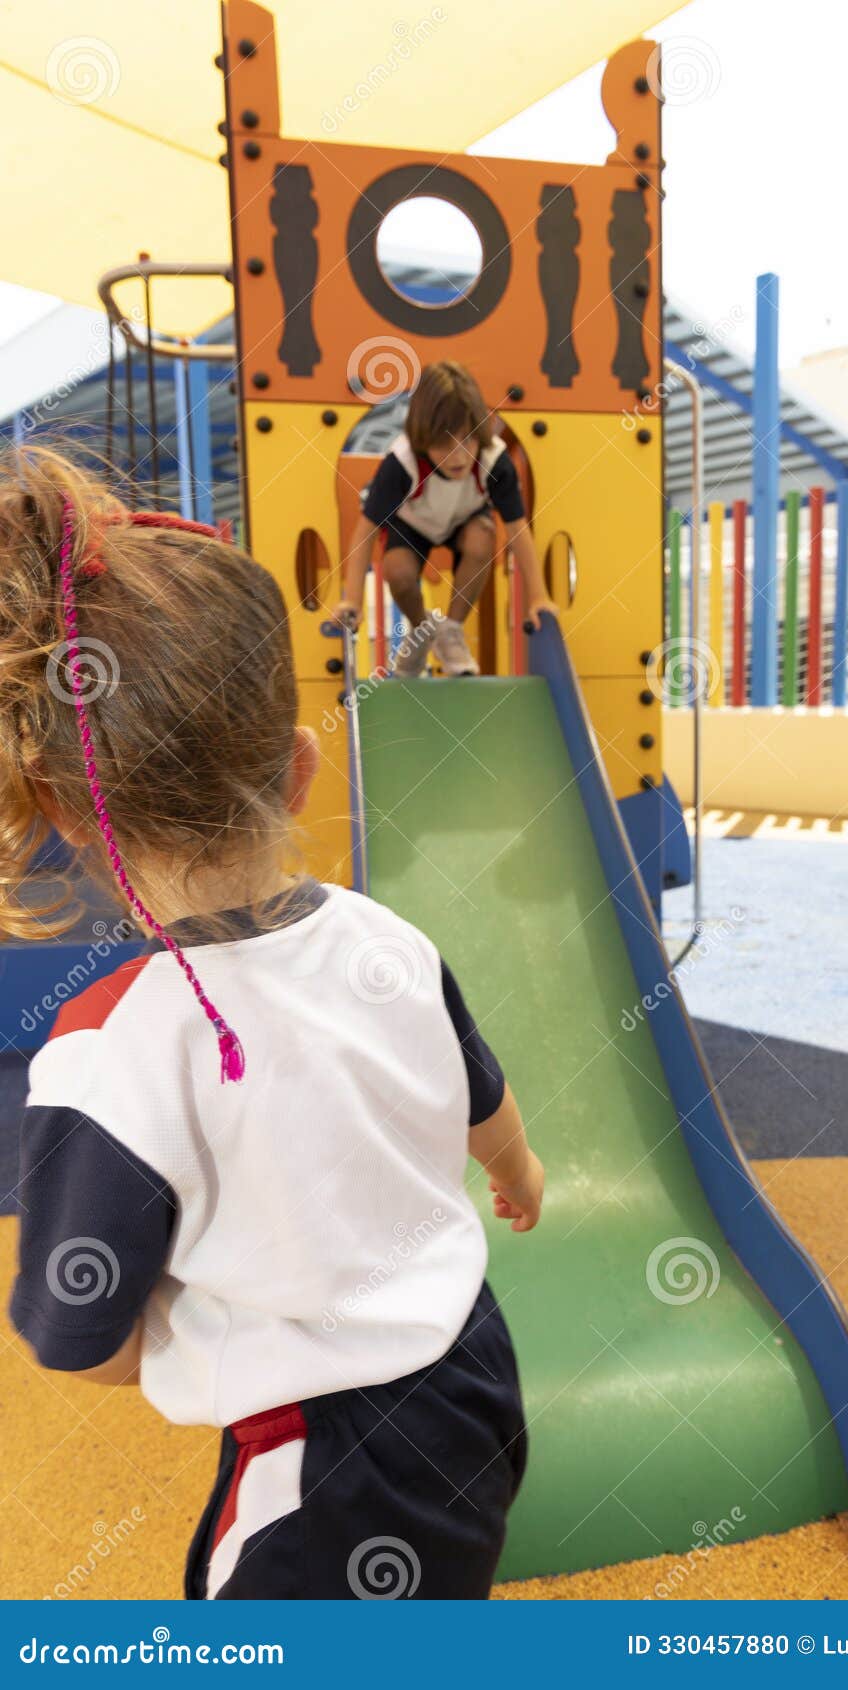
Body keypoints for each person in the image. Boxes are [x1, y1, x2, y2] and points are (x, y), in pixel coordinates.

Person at [1, 448, 543, 1599]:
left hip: (321, 1476)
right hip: (475, 1376)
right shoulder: (383, 935)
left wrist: (209, 1321)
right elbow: (482, 1094)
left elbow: (75, 1339)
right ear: (299, 770)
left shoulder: (108, 1054)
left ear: (64, 807)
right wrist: (519, 1169)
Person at [335, 361, 552, 675]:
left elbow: (518, 530)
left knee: (483, 539)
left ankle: (450, 631)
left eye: (467, 439)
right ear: (423, 439)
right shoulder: (402, 463)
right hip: (413, 522)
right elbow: (365, 533)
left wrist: (539, 597)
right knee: (398, 572)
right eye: (443, 445)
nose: (459, 457)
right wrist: (353, 601)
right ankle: (421, 629)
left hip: (465, 518)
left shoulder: (494, 461)